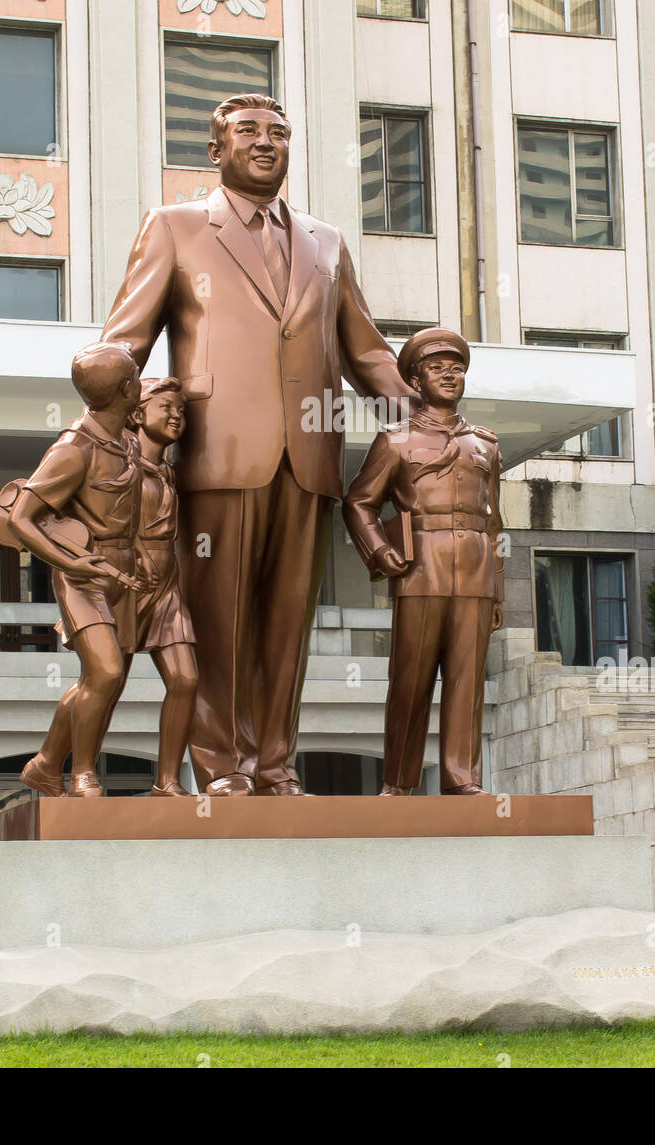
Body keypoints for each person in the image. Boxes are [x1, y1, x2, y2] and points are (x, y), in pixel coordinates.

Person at [100, 93, 417, 796]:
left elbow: (365, 350)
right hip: (218, 453)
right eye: (248, 132)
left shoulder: (326, 242)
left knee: (285, 626)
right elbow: (125, 339)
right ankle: (222, 768)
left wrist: (422, 410)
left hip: (309, 460)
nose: (266, 143)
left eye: (279, 133)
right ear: (216, 151)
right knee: (218, 621)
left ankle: (274, 765)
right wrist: (103, 406)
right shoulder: (176, 228)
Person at [343, 327, 504, 796]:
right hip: (421, 569)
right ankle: (399, 781)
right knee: (411, 681)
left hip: (474, 570)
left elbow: (494, 522)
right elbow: (358, 502)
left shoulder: (485, 445)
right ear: (415, 380)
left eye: (456, 368)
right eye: (437, 367)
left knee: (466, 683)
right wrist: (378, 548)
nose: (449, 374)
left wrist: (498, 590)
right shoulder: (396, 441)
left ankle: (461, 779)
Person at [5, 342, 150, 799]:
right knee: (105, 673)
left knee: (106, 679)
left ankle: (46, 764)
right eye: (137, 379)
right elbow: (19, 518)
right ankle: (82, 773)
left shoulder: (126, 441)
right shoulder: (73, 450)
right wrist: (69, 562)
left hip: (123, 574)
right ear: (127, 389)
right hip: (81, 576)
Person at [129, 376, 198, 798]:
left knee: (186, 679)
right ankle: (51, 763)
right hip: (124, 584)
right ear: (137, 415)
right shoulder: (115, 463)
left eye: (181, 410)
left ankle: (167, 780)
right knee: (102, 684)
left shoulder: (171, 471)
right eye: (166, 408)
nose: (176, 416)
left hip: (166, 587)